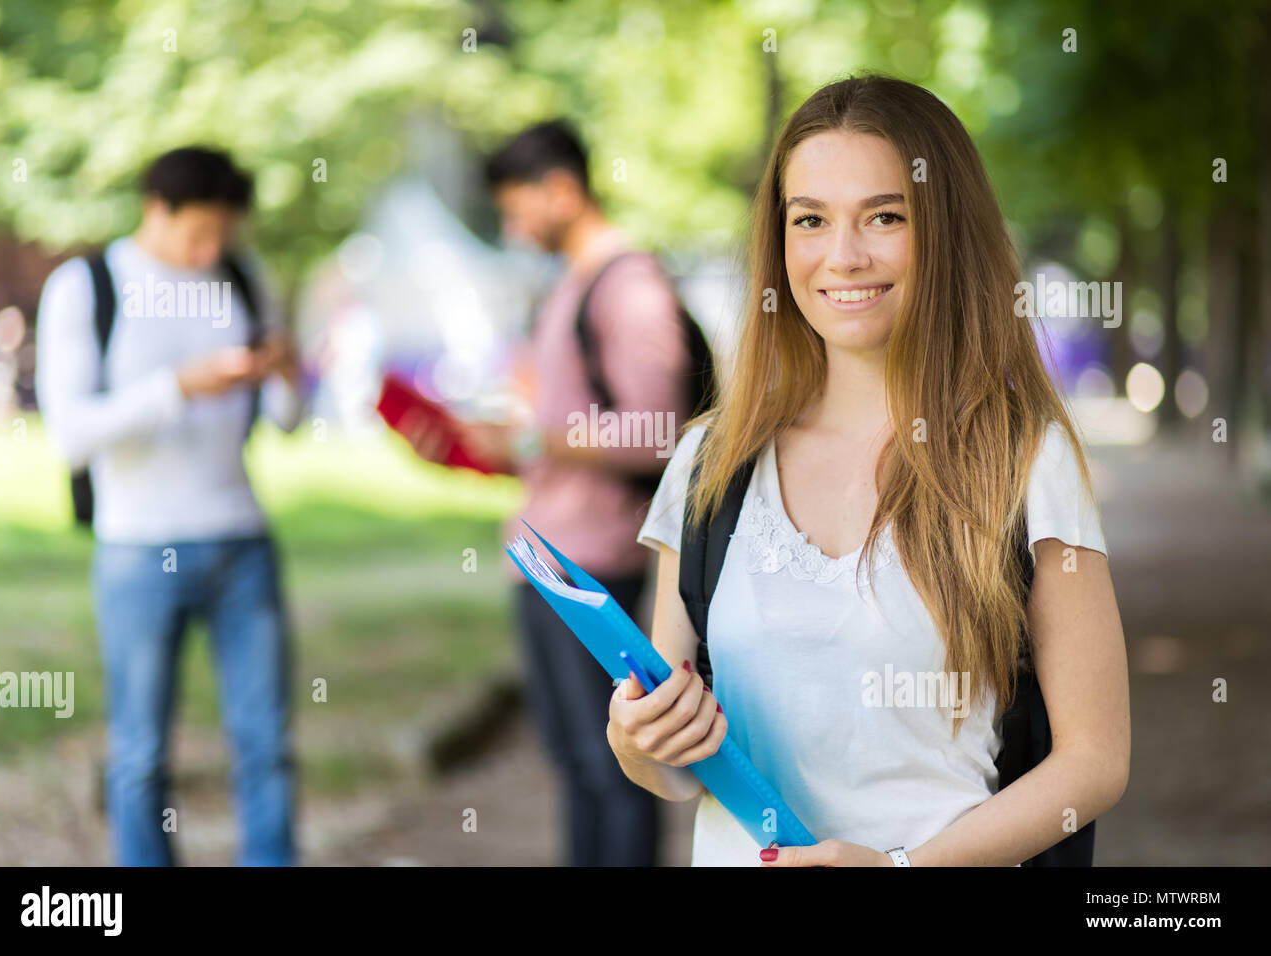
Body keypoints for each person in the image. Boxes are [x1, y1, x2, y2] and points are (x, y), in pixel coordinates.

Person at [609, 75, 1131, 866]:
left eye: (885, 217)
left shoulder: (1024, 461)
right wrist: (639, 743)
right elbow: (682, 769)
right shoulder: (709, 463)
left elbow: (1094, 761)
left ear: (946, 231)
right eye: (810, 219)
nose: (843, 256)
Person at [406, 120, 693, 865]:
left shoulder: (627, 284)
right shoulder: (568, 286)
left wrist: (534, 438)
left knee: (616, 767)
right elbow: (563, 434)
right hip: (550, 555)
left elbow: (659, 431)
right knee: (574, 764)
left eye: (515, 206)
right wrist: (489, 446)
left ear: (561, 189)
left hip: (601, 564)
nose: (510, 226)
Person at [36, 146, 303, 866]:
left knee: (267, 743)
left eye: (224, 234)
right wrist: (178, 388)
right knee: (142, 752)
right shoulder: (87, 286)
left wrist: (283, 372)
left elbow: (285, 418)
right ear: (158, 209)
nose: (212, 250)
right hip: (136, 547)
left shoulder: (244, 278)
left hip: (242, 539)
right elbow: (71, 434)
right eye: (200, 234)